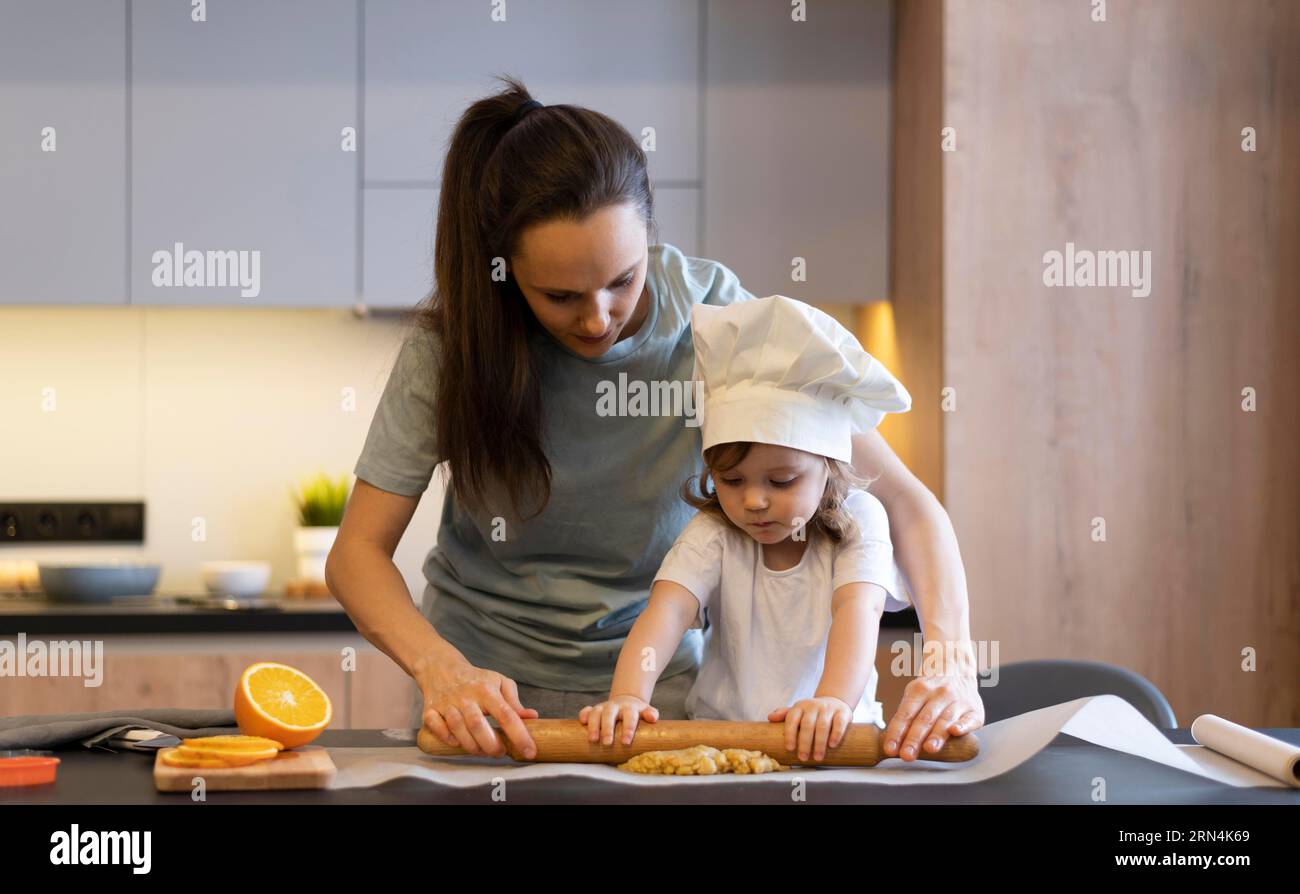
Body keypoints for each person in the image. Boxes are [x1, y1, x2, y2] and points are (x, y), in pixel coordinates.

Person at [326, 76, 984, 765]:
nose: (597, 318)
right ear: (504, 271)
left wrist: (950, 658)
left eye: (623, 280)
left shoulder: (722, 323)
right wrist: (440, 669)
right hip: (485, 703)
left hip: (658, 706)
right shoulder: (454, 347)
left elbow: (903, 501)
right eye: (559, 296)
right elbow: (356, 555)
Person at [579, 296, 915, 763]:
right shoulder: (715, 531)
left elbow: (857, 610)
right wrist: (629, 696)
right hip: (722, 741)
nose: (753, 501)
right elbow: (667, 612)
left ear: (830, 467)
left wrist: (832, 701)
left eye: (782, 481)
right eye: (731, 480)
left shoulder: (861, 521)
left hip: (837, 744)